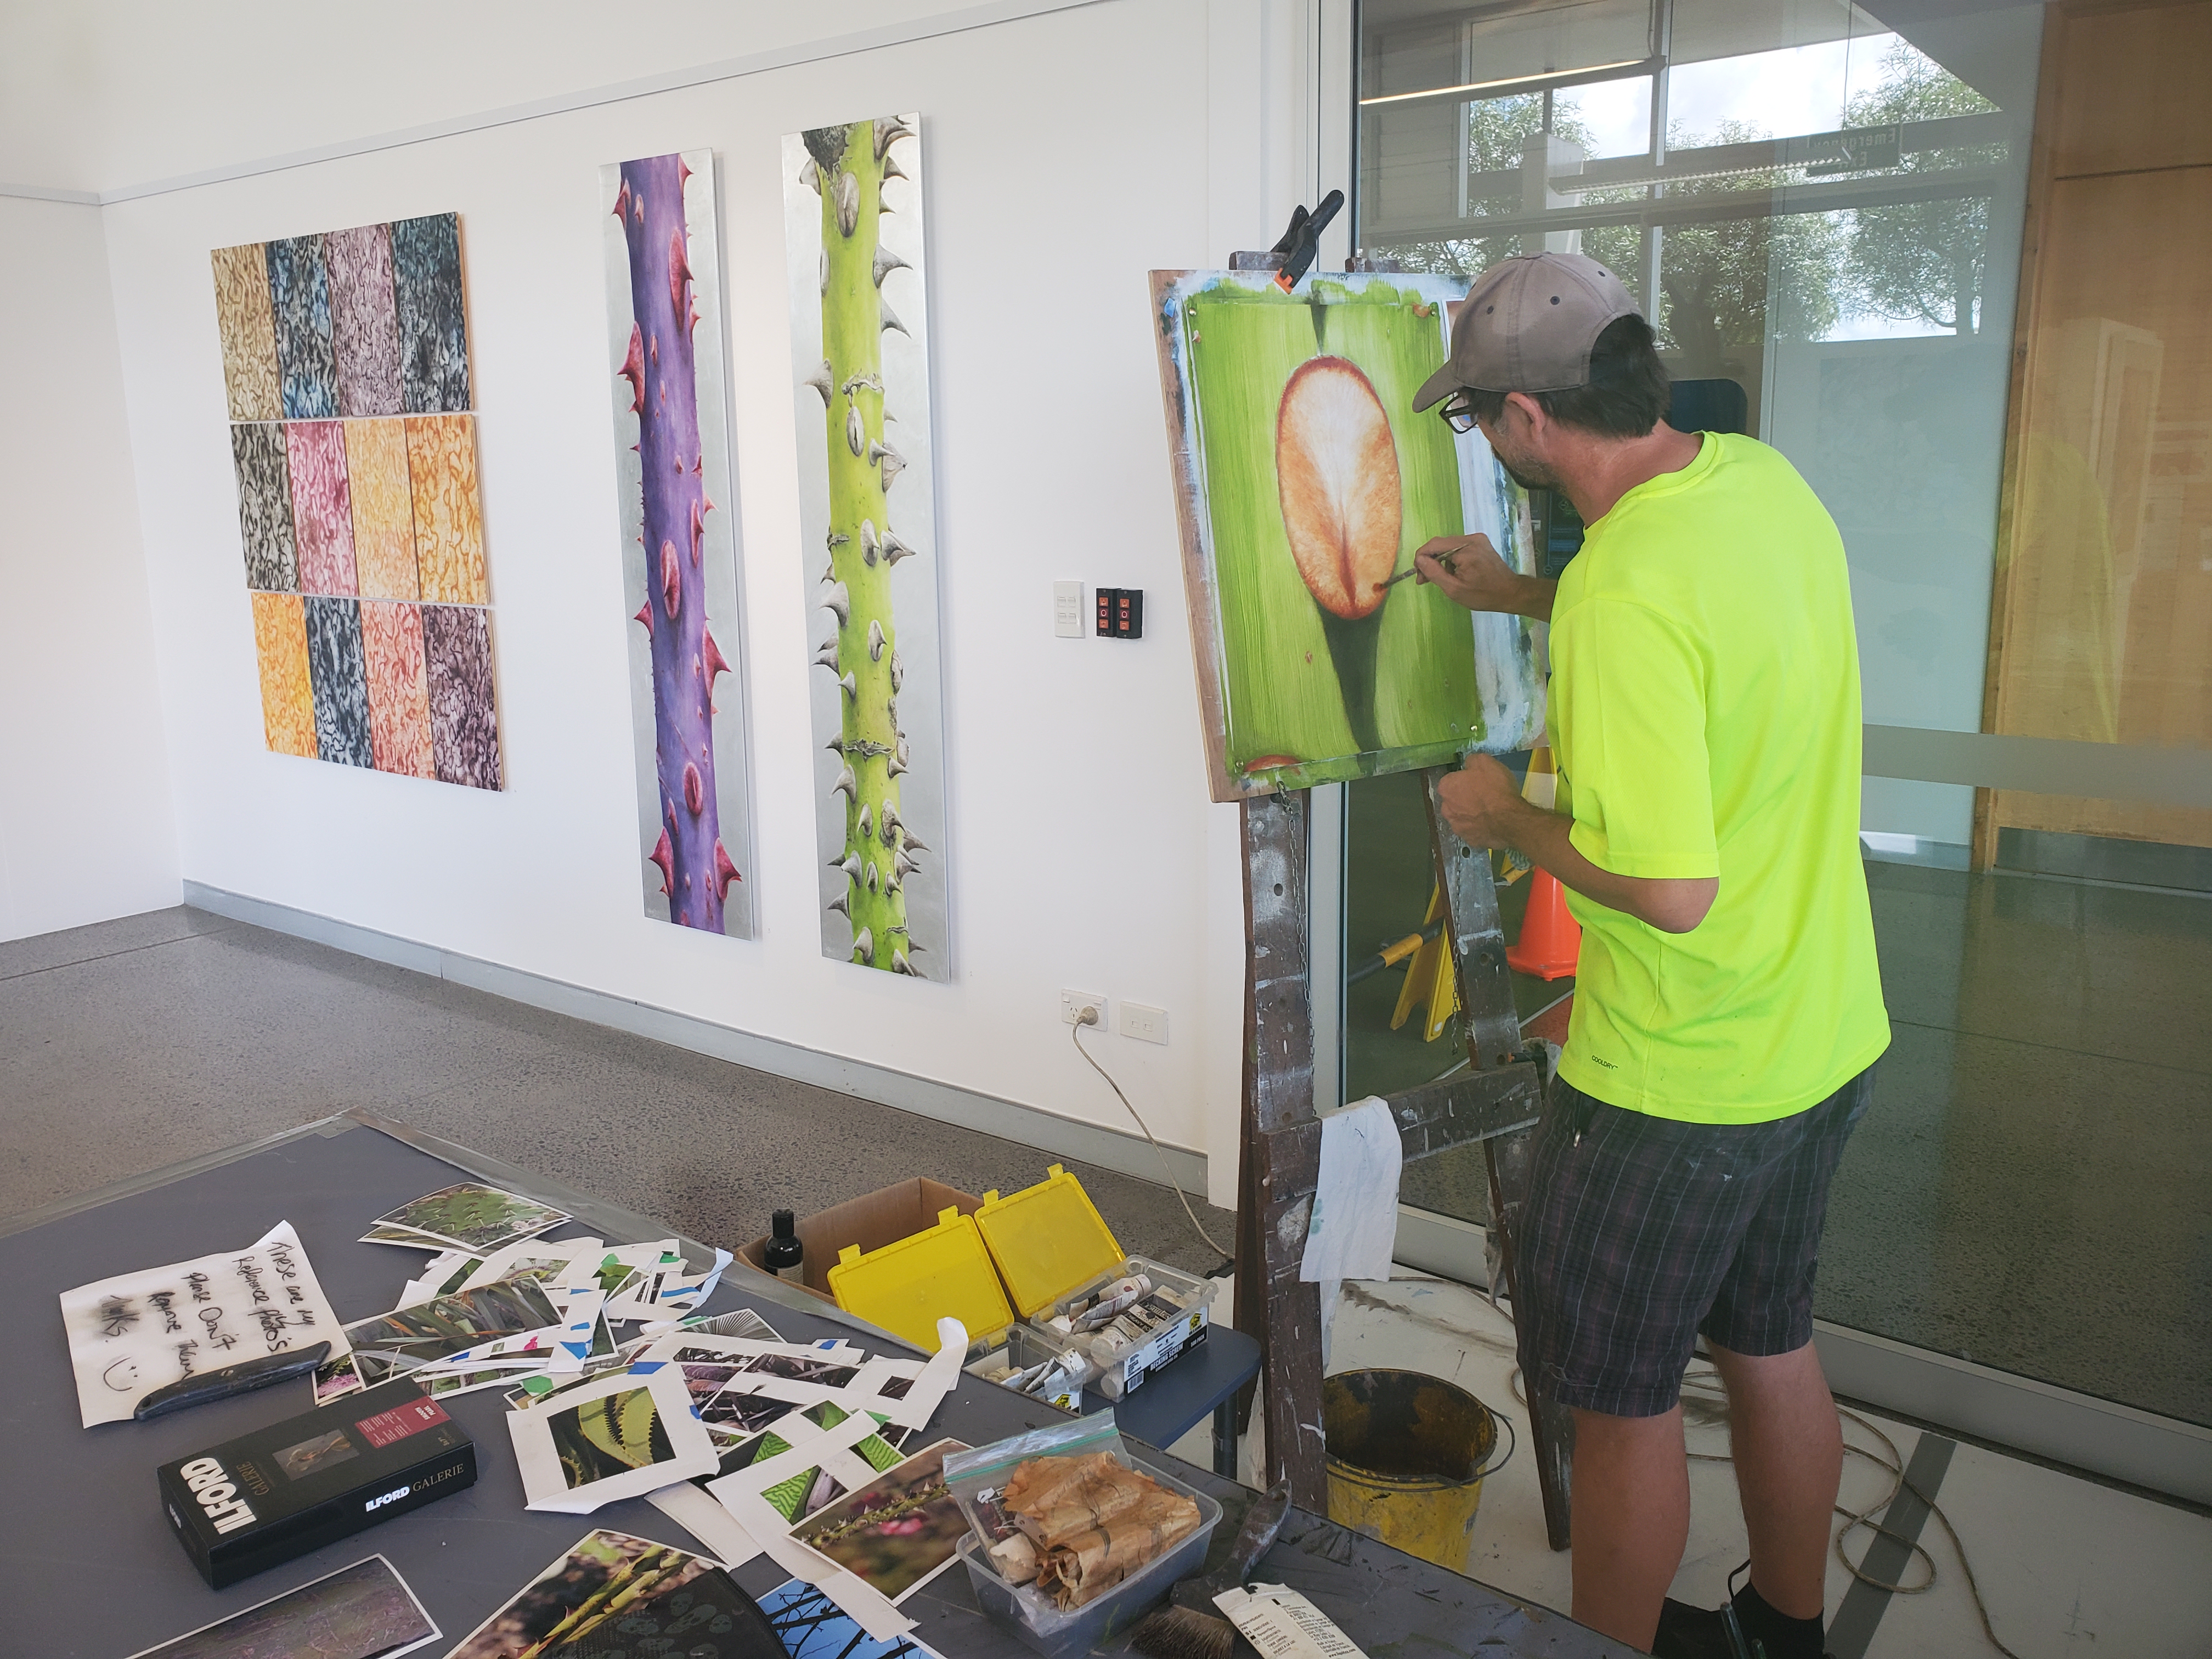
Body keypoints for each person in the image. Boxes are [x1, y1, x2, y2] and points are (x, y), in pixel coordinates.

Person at [1407, 252, 1889, 1658]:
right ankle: (1785, 1636)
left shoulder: (1623, 590)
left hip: (1682, 1074)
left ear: (1530, 422)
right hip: (1819, 1030)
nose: (1487, 443)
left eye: (1477, 418)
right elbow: (1701, 632)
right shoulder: (1755, 483)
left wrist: (1503, 815)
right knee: (1771, 1342)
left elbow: (1671, 892)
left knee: (1616, 1404)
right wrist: (1515, 592)